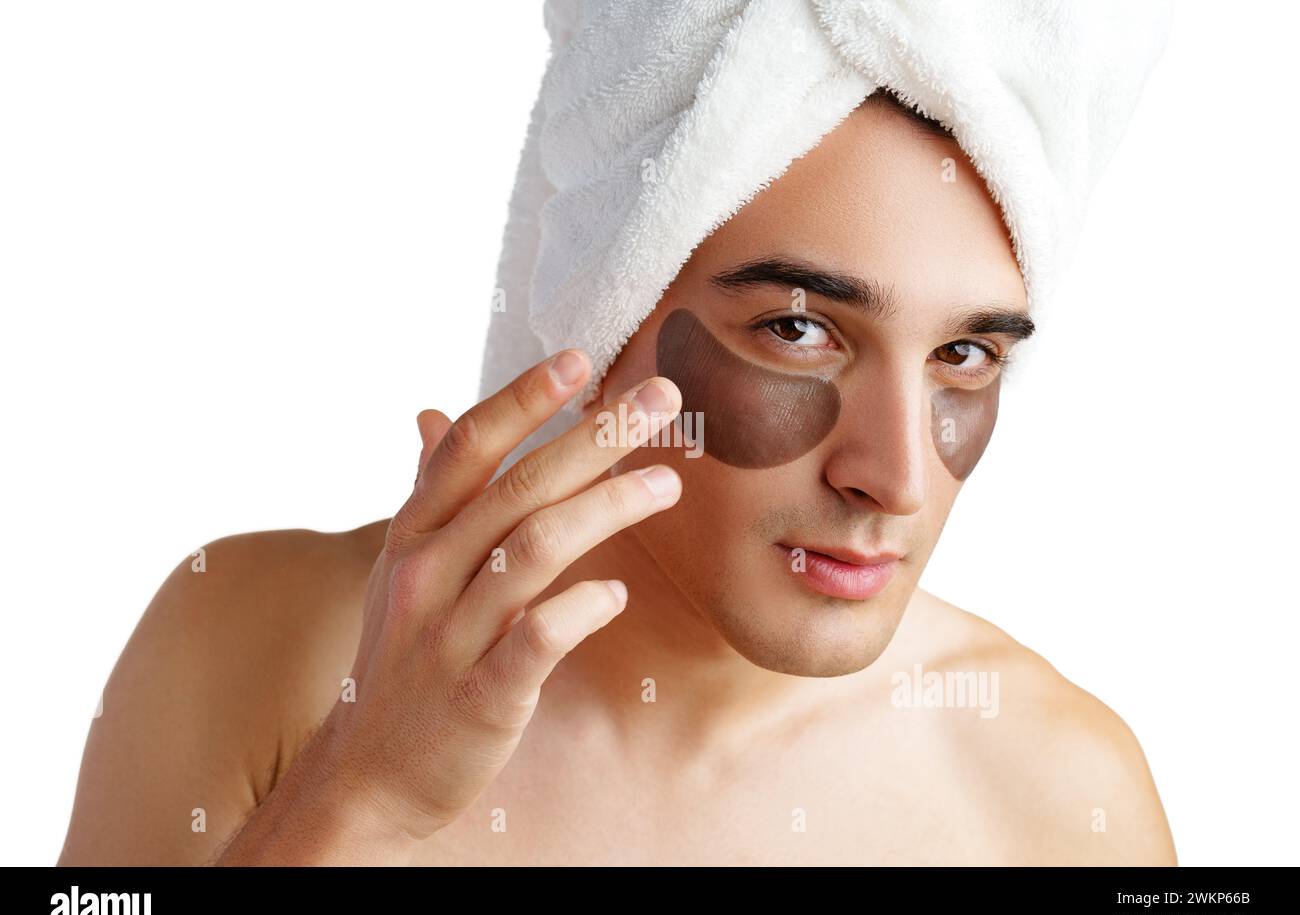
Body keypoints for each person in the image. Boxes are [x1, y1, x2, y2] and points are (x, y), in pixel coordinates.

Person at [56, 88, 1176, 865]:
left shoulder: (1059, 790)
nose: (896, 475)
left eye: (964, 354)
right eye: (795, 328)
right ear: (605, 305)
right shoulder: (251, 636)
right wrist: (358, 798)